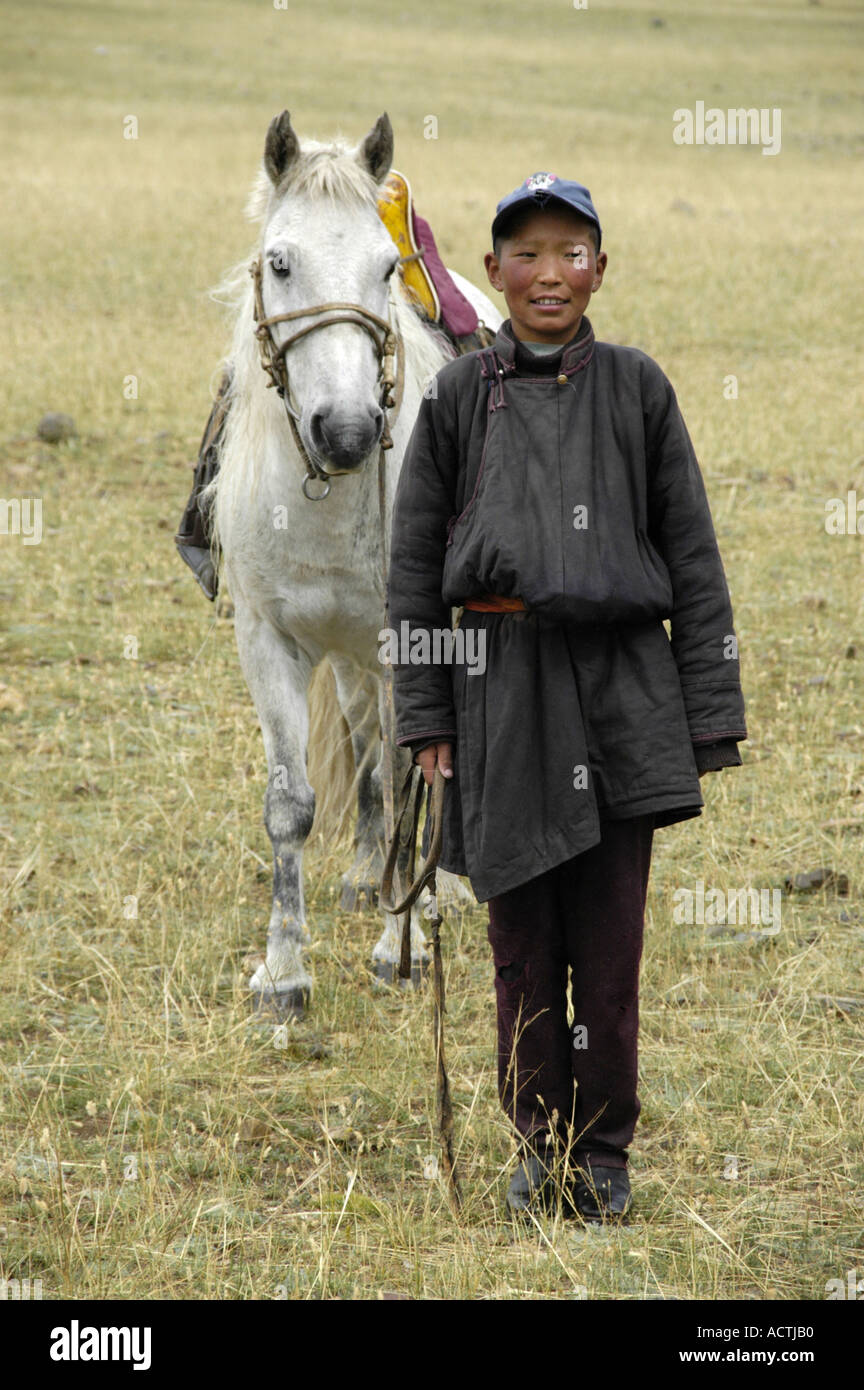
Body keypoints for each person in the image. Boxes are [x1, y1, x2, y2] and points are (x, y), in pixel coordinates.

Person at [386, 173, 747, 1223]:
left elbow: (693, 555)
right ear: (492, 272)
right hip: (499, 688)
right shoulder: (458, 398)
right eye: (528, 255)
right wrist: (425, 714)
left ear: (600, 268)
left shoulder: (638, 388)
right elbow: (412, 571)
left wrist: (707, 710)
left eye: (572, 253)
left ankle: (606, 1153)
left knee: (611, 946)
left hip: (624, 690)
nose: (551, 274)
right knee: (521, 946)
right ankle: (535, 1142)